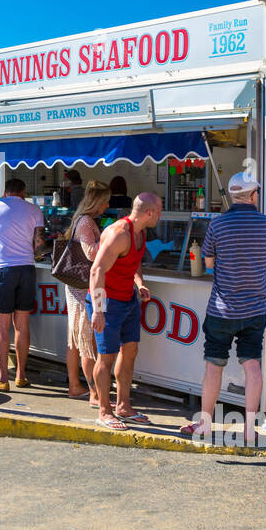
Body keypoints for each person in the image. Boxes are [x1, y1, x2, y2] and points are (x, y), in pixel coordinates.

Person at [181, 172, 266, 445]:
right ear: (253, 195)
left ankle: (204, 425)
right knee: (252, 365)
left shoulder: (218, 224)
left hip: (221, 309)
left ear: (234, 196)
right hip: (254, 308)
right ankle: (249, 429)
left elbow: (209, 263)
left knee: (214, 367)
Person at [87, 192, 162, 429]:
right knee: (106, 357)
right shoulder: (120, 233)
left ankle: (123, 406)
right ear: (149, 213)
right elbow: (96, 270)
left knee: (130, 351)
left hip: (128, 300)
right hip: (107, 303)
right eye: (159, 211)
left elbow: (132, 264)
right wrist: (98, 310)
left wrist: (139, 284)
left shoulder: (140, 233)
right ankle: (104, 411)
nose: (160, 216)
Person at [0, 178, 45, 391]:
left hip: (3, 269)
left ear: (5, 192)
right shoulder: (34, 209)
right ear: (23, 192)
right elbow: (39, 245)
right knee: (22, 325)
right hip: (27, 269)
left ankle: (2, 378)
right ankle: (21, 375)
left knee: (0, 326)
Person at [61, 180, 110, 401]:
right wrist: (109, 237)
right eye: (105, 201)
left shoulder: (82, 219)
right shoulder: (86, 221)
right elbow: (91, 253)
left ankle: (76, 385)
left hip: (78, 285)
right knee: (86, 340)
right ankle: (93, 393)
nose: (107, 206)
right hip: (82, 286)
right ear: (97, 201)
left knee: (76, 338)